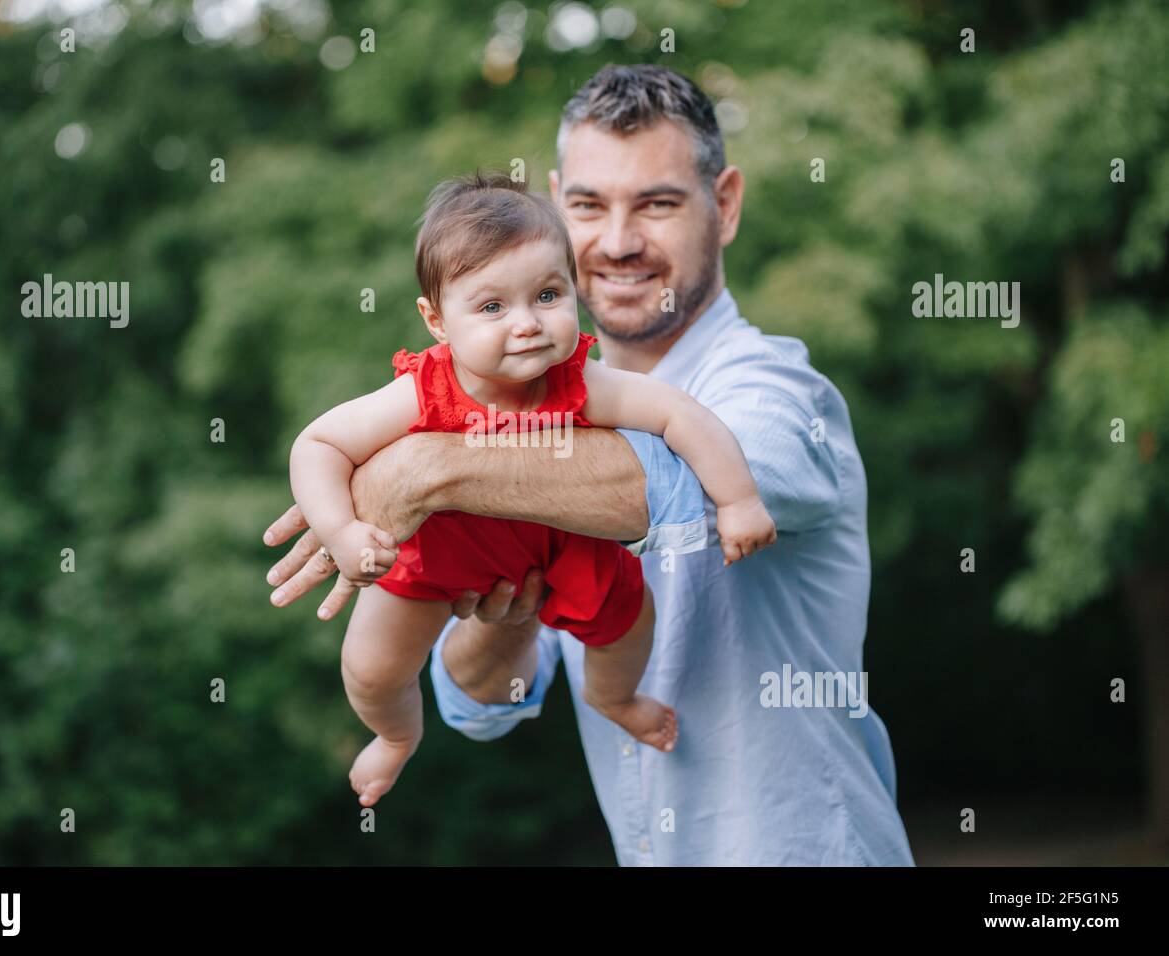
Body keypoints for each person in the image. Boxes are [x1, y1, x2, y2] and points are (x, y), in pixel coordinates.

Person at [265, 64, 915, 865]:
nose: (616, 242)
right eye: (586, 206)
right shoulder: (500, 394)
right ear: (550, 212)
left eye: (658, 203)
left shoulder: (779, 391)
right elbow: (482, 708)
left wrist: (430, 467)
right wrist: (504, 620)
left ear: (727, 204)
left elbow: (671, 484)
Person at [289, 171, 775, 807]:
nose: (527, 324)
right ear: (436, 321)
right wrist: (343, 530)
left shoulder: (578, 380)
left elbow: (679, 415)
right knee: (371, 666)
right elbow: (318, 445)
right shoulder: (424, 391)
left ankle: (614, 697)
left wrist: (738, 500)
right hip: (441, 559)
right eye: (491, 307)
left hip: (566, 549)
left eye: (548, 295)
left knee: (629, 622)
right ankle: (396, 736)